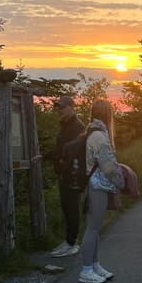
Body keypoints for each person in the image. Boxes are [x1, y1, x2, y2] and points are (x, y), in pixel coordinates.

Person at [79, 98, 124, 283]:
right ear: (107, 114)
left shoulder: (91, 131)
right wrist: (121, 180)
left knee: (95, 228)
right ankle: (86, 270)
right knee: (92, 228)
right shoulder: (99, 136)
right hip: (97, 186)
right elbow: (108, 166)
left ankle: (94, 264)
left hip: (94, 185)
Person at [51, 95, 86, 257]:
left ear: (72, 107)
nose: (60, 110)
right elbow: (60, 149)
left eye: (63, 107)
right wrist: (43, 156)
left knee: (72, 209)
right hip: (64, 174)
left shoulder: (77, 126)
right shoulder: (65, 125)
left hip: (72, 175)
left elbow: (72, 151)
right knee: (66, 208)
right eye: (59, 107)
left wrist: (67, 167)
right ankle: (69, 241)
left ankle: (72, 243)